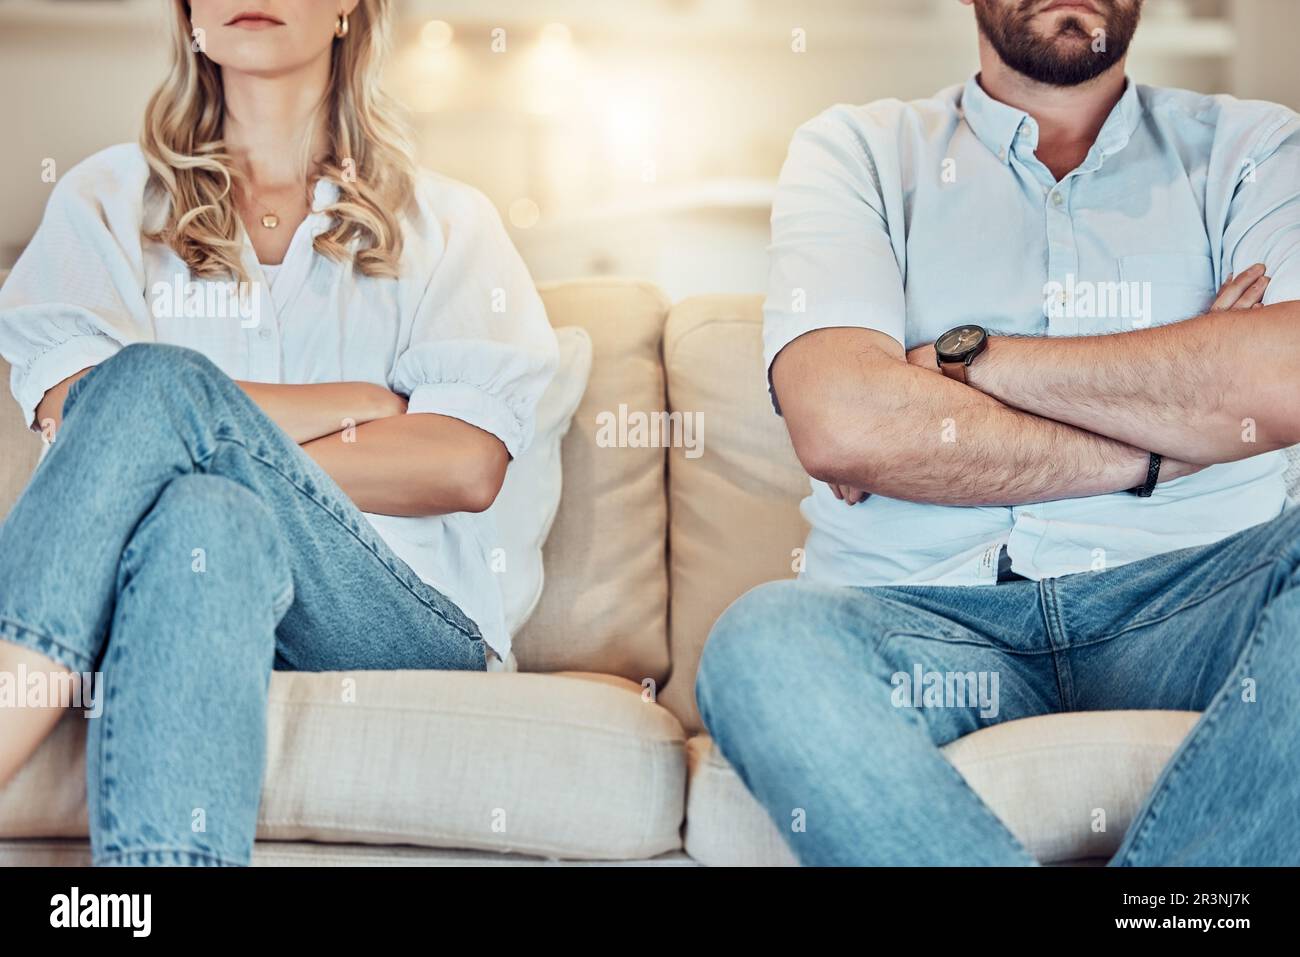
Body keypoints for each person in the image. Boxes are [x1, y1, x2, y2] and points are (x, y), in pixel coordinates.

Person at [696, 0, 1300, 865]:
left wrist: (969, 363)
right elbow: (842, 423)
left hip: (1191, 602)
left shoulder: (1254, 148)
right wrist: (1171, 436)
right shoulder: (858, 151)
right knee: (764, 642)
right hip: (930, 614)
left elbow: (1283, 378)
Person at [0, 0, 557, 866]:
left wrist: (190, 422)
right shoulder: (105, 198)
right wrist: (357, 400)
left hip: (395, 617)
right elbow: (84, 417)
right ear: (188, 12)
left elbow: (462, 460)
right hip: (181, 584)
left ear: (347, 8)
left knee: (155, 391)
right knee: (206, 515)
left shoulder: (448, 221)